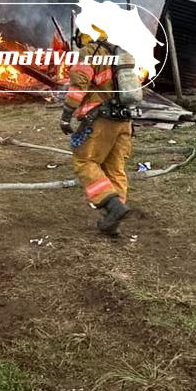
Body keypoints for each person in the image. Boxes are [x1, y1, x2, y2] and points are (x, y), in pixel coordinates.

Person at [60, 27, 132, 235]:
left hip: (100, 119)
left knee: (85, 162)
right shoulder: (120, 52)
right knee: (115, 168)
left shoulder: (90, 53)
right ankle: (112, 221)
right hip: (124, 120)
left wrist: (66, 116)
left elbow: (77, 87)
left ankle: (112, 207)